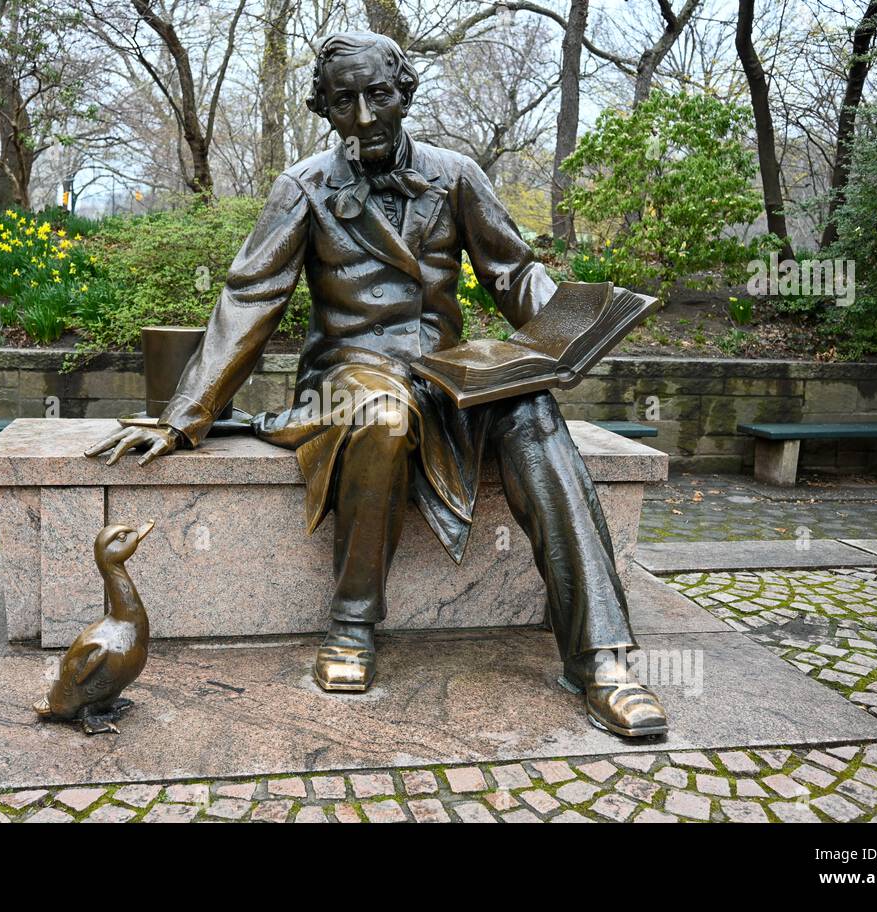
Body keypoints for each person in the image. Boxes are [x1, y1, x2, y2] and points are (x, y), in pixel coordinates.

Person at [87, 31, 666, 738]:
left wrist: (576, 323)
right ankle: (352, 624)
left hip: (449, 375)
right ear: (322, 107)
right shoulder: (302, 186)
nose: (364, 115)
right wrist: (184, 414)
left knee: (536, 412)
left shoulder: (455, 174)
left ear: (406, 92)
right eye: (343, 100)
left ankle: (599, 657)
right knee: (383, 416)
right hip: (351, 374)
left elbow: (514, 274)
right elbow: (250, 298)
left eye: (378, 95)